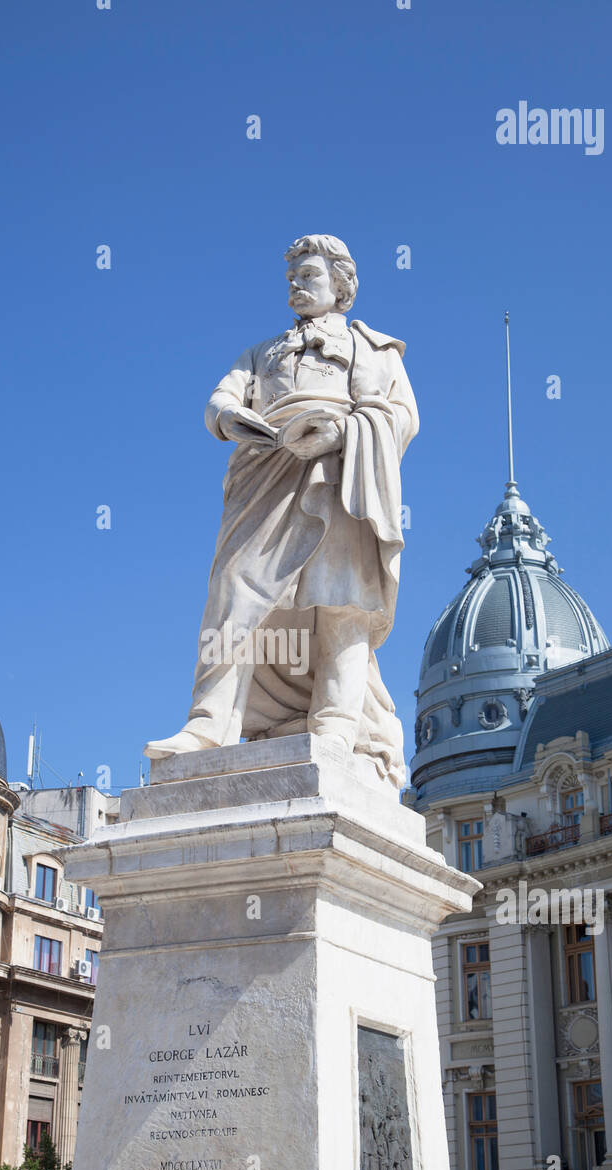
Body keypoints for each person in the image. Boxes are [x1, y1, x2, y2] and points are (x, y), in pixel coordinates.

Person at [144, 234, 418, 786]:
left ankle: (337, 722)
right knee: (233, 592)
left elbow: (401, 416)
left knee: (340, 595)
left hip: (339, 473)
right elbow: (221, 397)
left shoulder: (374, 348)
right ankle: (209, 722)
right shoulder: (261, 351)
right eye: (291, 277)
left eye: (309, 276)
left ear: (340, 286)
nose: (296, 285)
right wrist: (228, 418)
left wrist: (342, 430)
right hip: (264, 471)